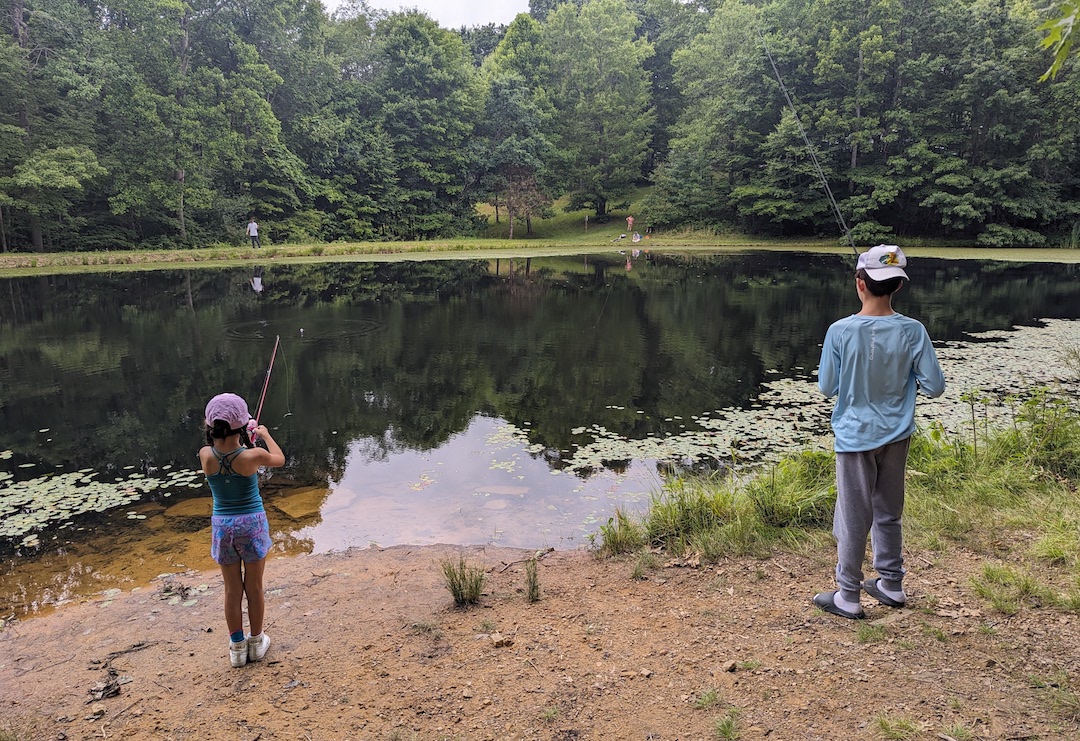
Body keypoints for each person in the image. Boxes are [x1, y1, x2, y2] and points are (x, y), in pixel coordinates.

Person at [812, 245, 945, 620]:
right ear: (897, 287)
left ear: (860, 284)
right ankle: (892, 584)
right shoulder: (914, 331)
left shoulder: (840, 331)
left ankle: (848, 595)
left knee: (853, 515)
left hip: (854, 438)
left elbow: (827, 387)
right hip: (897, 436)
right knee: (889, 511)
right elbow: (934, 386)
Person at [200, 393, 285, 666]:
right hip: (251, 524)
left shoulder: (205, 455)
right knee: (255, 587)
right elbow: (279, 459)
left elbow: (223, 449)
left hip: (223, 526)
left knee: (231, 590)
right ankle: (257, 642)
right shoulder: (253, 455)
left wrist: (243, 435)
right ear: (242, 425)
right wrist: (263, 434)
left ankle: (237, 647)